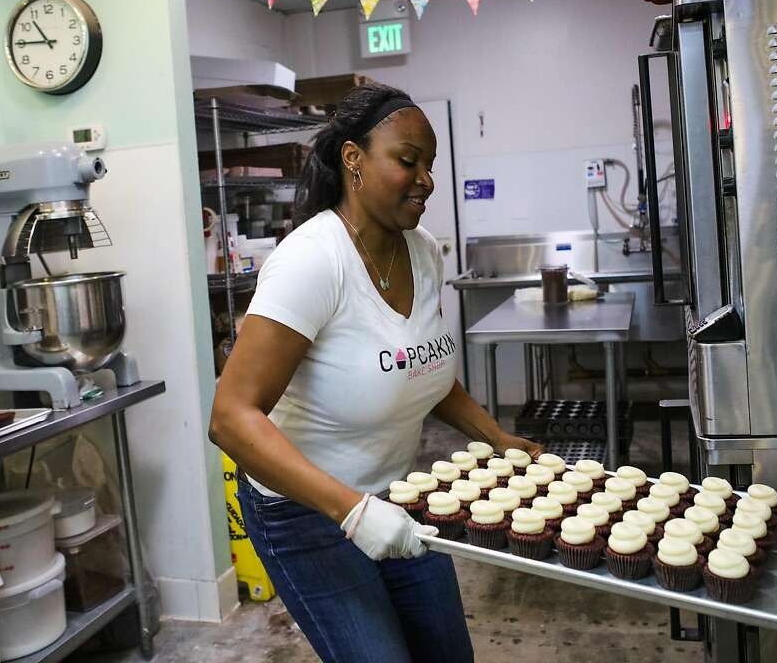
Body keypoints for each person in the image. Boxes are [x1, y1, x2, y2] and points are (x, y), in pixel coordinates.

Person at [209, 84, 542, 662]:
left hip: (398, 497)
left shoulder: (423, 251)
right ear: (354, 160)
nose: (426, 179)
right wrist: (351, 509)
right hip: (303, 512)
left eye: (430, 165)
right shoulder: (311, 262)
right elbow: (230, 419)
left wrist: (498, 438)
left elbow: (423, 369)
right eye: (408, 161)